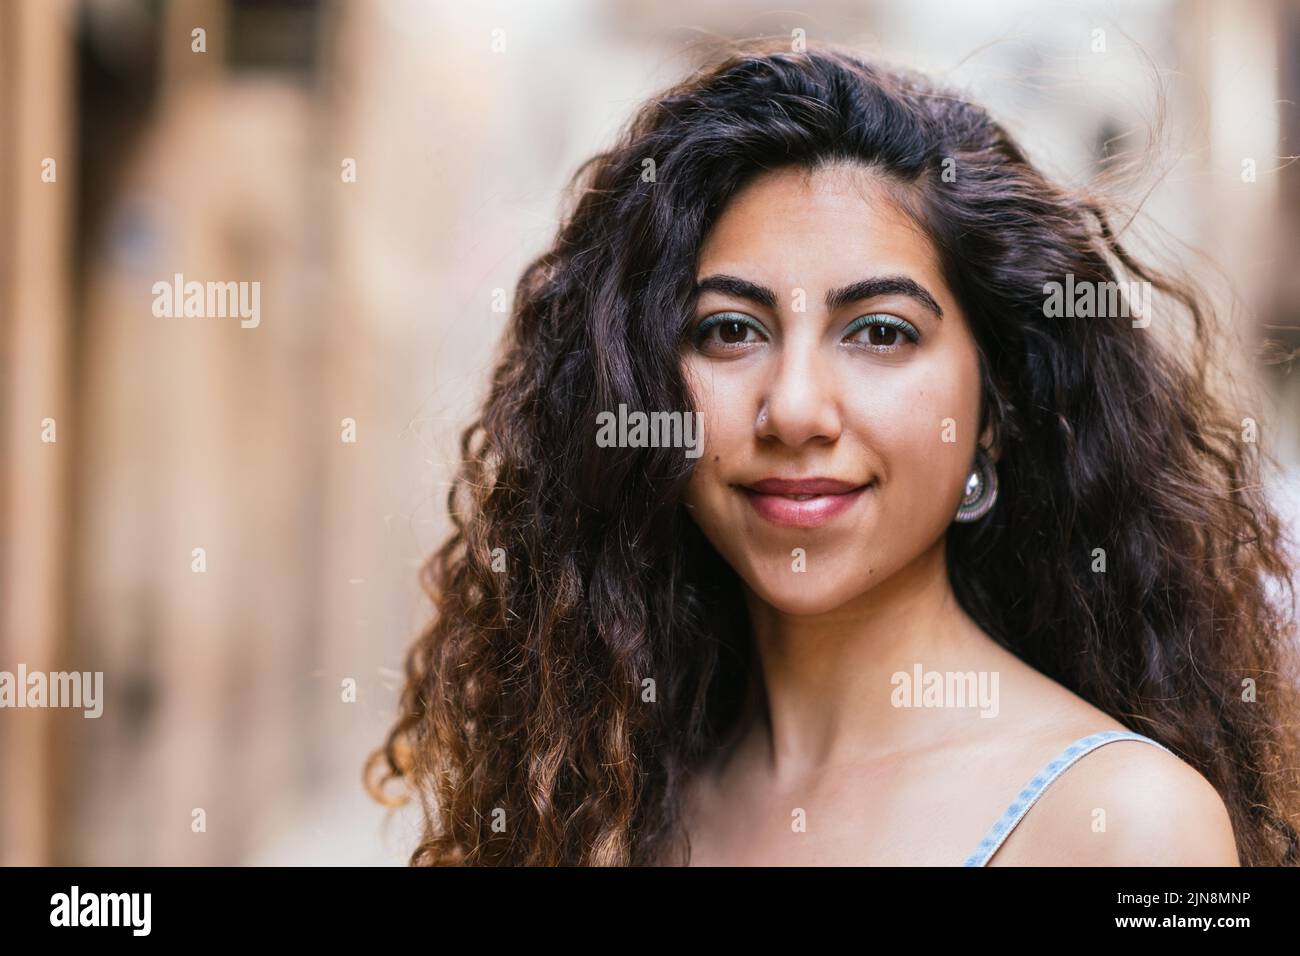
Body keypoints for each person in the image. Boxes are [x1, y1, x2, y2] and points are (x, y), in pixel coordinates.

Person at [366, 38, 1300, 866]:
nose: (796, 408)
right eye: (730, 330)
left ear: (994, 409)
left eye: (882, 333)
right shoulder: (602, 797)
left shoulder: (1131, 825)